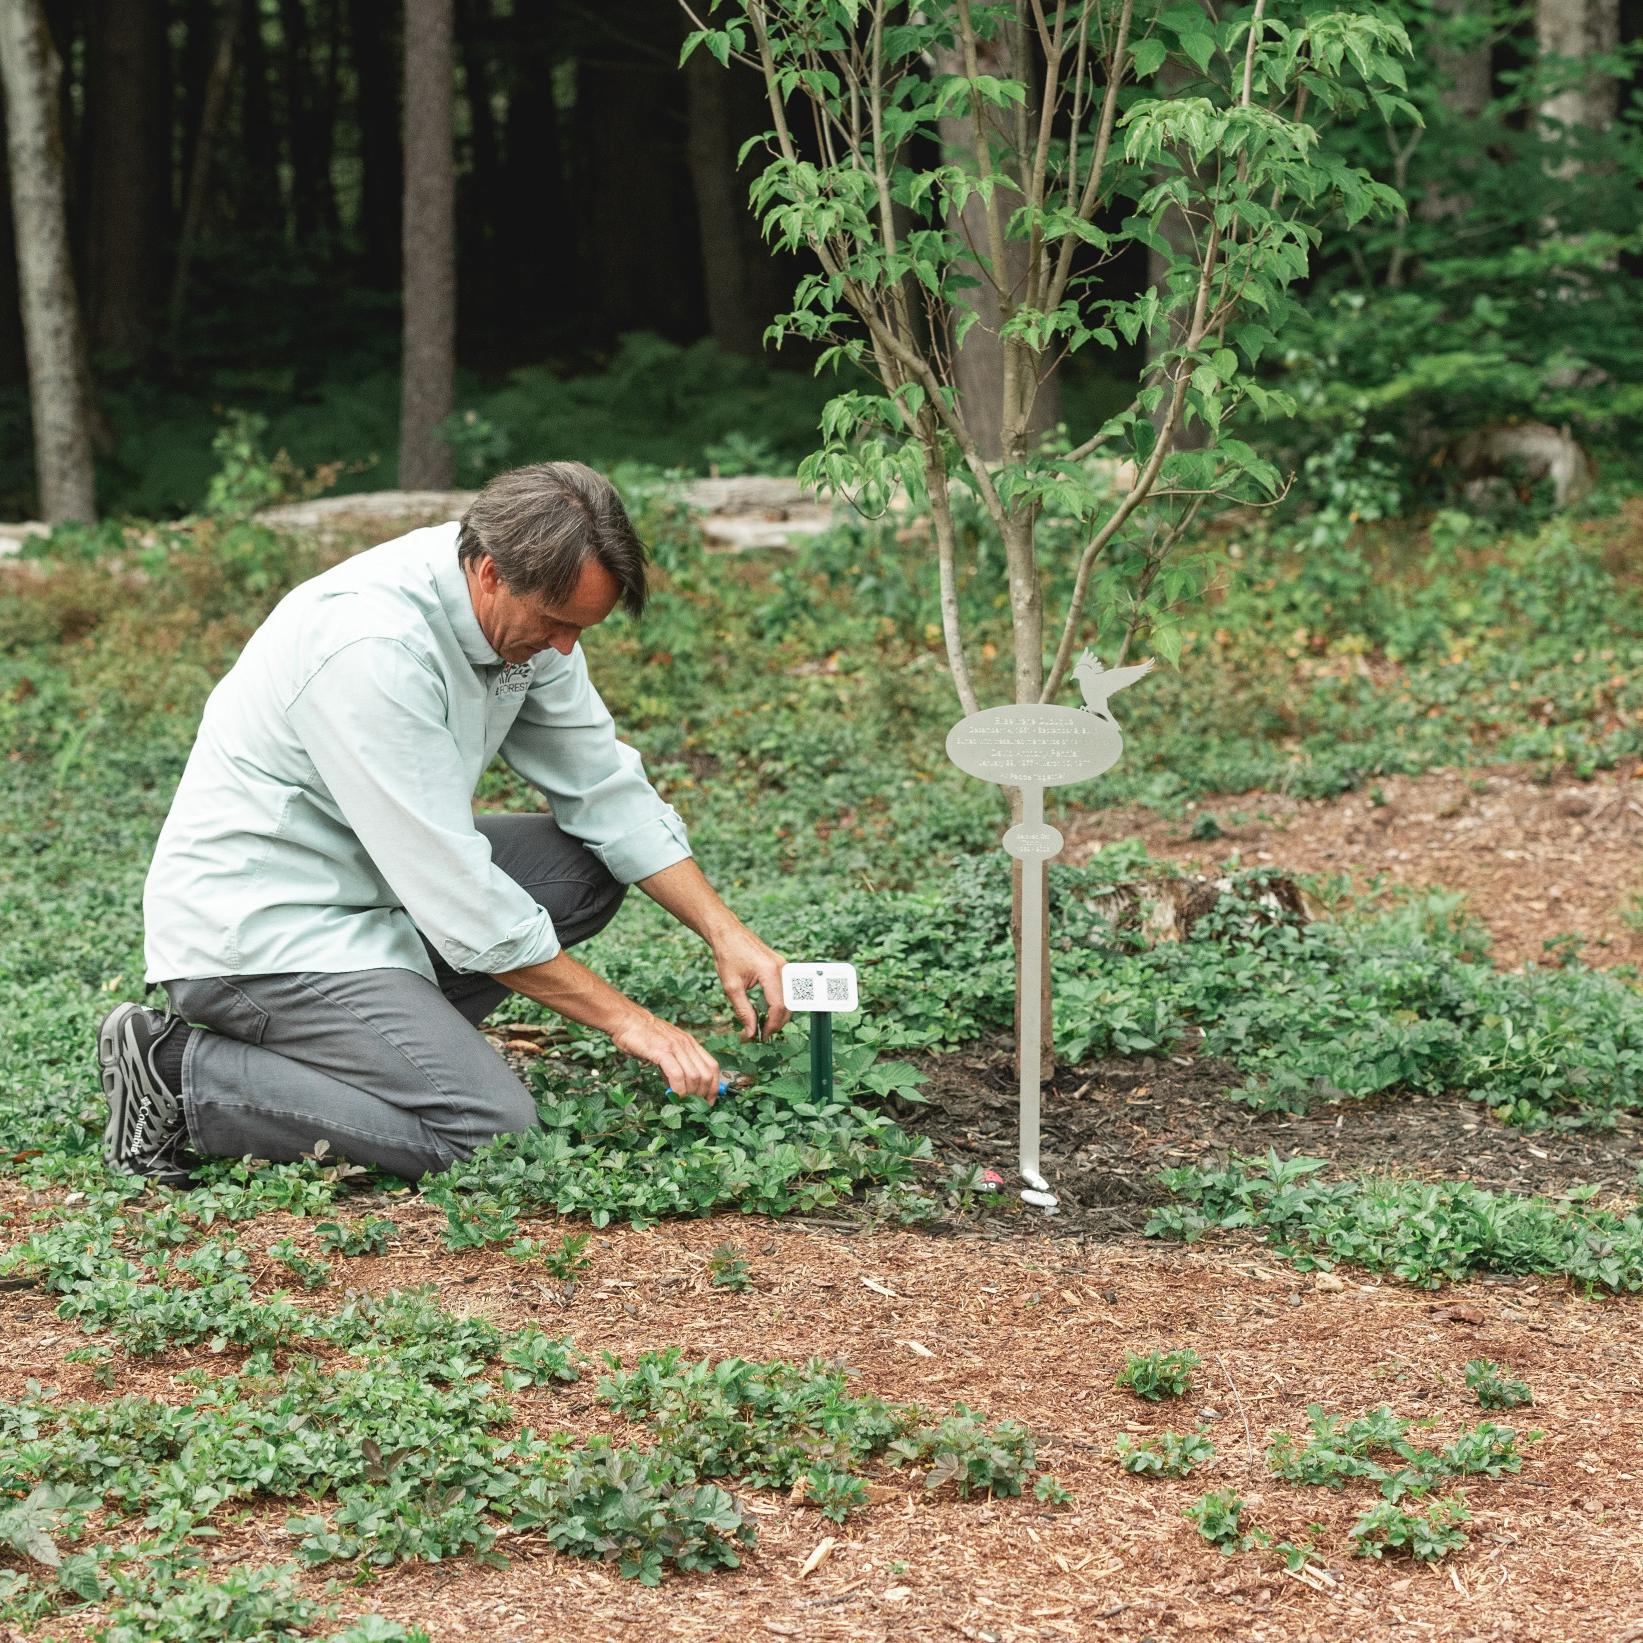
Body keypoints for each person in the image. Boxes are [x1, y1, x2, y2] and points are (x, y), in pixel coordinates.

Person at [97, 460, 789, 1188]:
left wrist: (725, 930)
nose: (564, 649)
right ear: (490, 572)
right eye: (556, 624)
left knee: (581, 868)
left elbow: (601, 785)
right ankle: (179, 1072)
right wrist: (631, 1021)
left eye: (582, 629)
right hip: (263, 931)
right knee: (491, 1130)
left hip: (374, 888)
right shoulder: (372, 648)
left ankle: (379, 1045)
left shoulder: (519, 606)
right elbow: (459, 897)